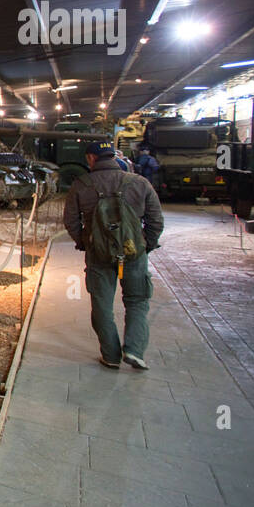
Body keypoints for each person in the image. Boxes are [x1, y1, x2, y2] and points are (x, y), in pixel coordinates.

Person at [63, 140, 164, 370]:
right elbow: (156, 220)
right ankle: (134, 350)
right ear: (114, 156)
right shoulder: (140, 183)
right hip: (133, 253)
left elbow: (70, 220)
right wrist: (145, 245)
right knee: (137, 301)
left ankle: (110, 355)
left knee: (101, 305)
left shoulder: (81, 184)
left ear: (91, 158)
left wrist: (84, 242)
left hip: (98, 254)